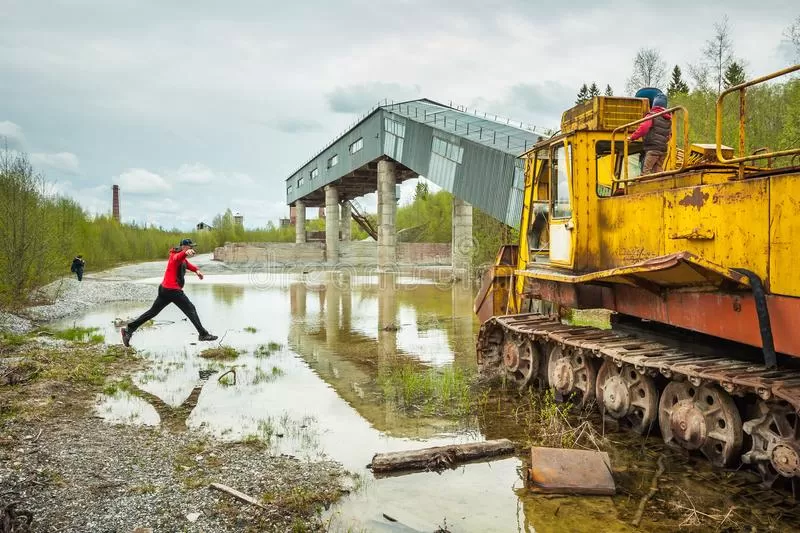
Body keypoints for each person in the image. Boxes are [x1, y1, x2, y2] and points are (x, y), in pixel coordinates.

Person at [121, 239, 217, 347]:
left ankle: (129, 330)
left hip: (165, 289)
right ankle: (203, 334)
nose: (192, 249)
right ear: (183, 247)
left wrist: (197, 271)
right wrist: (185, 253)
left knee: (152, 312)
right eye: (190, 247)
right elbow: (178, 258)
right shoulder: (174, 256)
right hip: (172, 290)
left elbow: (188, 264)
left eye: (192, 247)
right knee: (191, 308)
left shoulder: (183, 259)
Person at [628, 93, 672, 175]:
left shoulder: (651, 115)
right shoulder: (668, 119)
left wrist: (632, 138)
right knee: (658, 171)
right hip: (663, 150)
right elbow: (669, 135)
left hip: (652, 149)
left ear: (654, 105)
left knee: (646, 171)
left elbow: (643, 128)